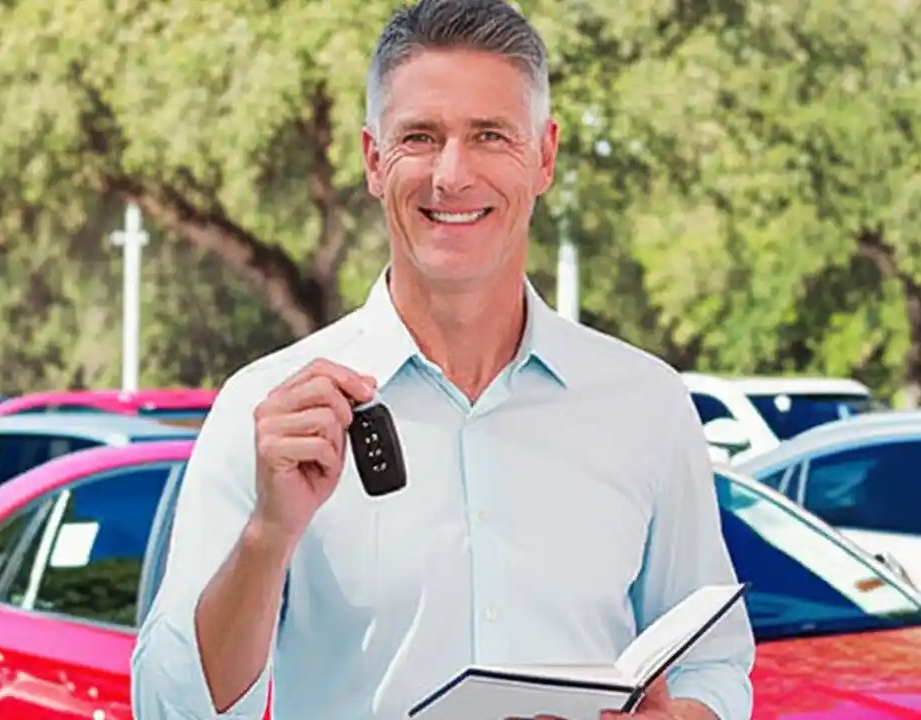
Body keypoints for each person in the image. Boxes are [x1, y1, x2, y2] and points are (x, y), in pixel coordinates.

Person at [129, 0, 755, 718]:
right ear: (373, 160)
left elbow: (714, 661)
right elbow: (168, 707)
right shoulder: (267, 410)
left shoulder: (645, 403)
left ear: (544, 156)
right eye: (420, 138)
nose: (451, 176)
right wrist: (269, 537)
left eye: (490, 136)